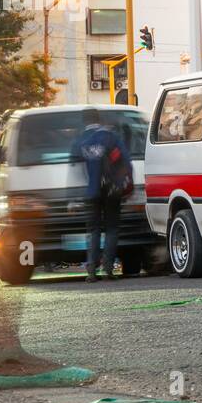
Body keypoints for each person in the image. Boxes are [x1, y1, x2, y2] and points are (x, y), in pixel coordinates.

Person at [72, 108, 133, 281]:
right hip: (112, 190)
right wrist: (125, 183)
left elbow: (75, 166)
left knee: (93, 230)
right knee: (112, 228)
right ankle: (108, 269)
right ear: (99, 119)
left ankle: (91, 270)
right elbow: (126, 162)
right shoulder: (110, 136)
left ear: (84, 121)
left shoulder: (81, 140)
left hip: (91, 191)